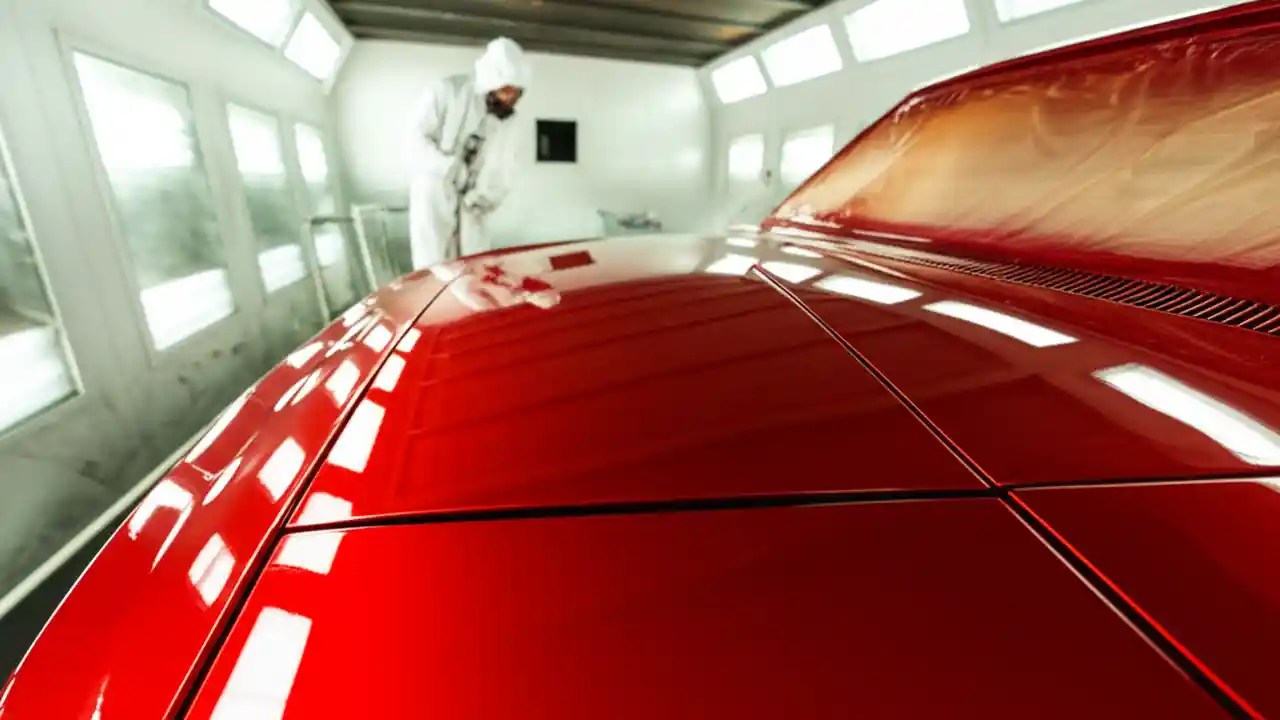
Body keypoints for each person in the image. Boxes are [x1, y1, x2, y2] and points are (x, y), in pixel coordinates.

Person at [406, 37, 530, 269]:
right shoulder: (446, 91)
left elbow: (505, 166)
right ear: (490, 84)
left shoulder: (509, 121)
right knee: (432, 267)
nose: (509, 99)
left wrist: (483, 196)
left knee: (473, 268)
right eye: (505, 91)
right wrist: (449, 168)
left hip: (472, 203)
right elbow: (416, 140)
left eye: (516, 94)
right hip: (435, 193)